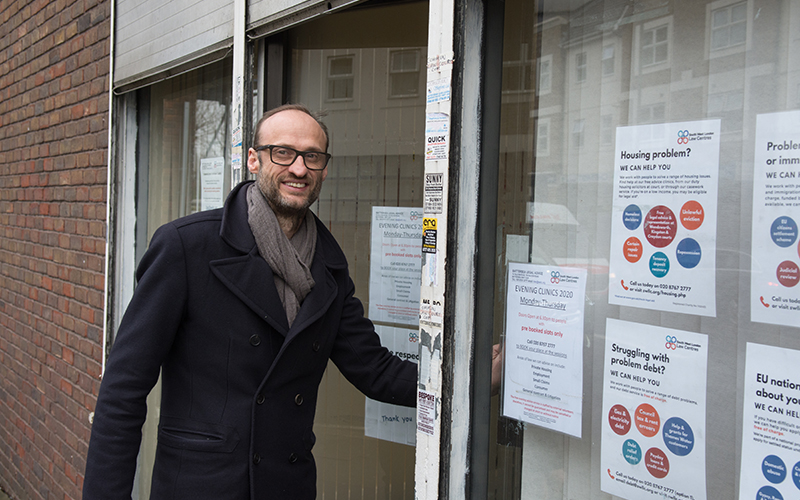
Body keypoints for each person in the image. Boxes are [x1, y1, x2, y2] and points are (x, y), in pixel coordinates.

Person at [83, 104, 418, 500]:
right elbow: (124, 388)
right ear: (254, 160)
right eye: (283, 153)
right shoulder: (188, 246)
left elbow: (375, 370)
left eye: (312, 156)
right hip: (200, 487)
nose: (299, 168)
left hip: (287, 487)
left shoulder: (329, 266)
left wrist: (467, 381)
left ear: (324, 169)